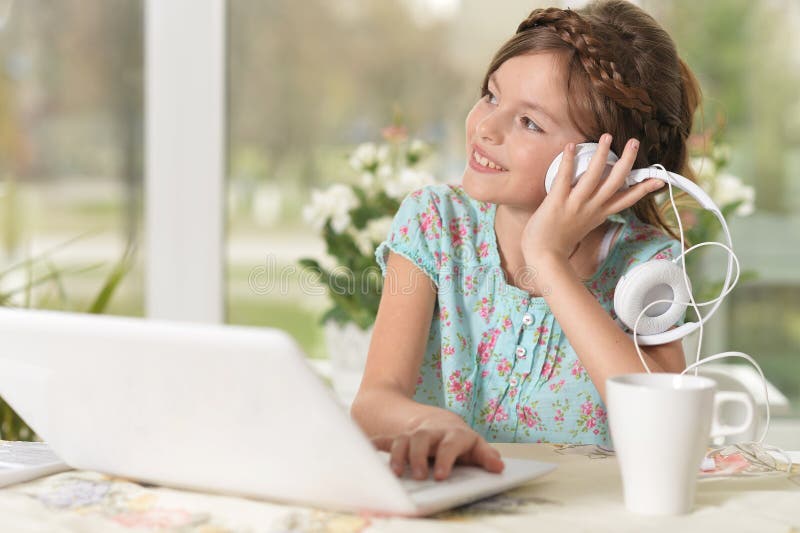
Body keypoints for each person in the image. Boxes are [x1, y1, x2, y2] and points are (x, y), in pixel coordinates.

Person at [351, 0, 703, 482]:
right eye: (491, 96)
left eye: (530, 123)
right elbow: (373, 402)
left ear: (599, 165)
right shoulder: (435, 223)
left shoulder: (644, 265)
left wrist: (548, 259)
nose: (485, 128)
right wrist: (431, 423)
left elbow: (666, 428)